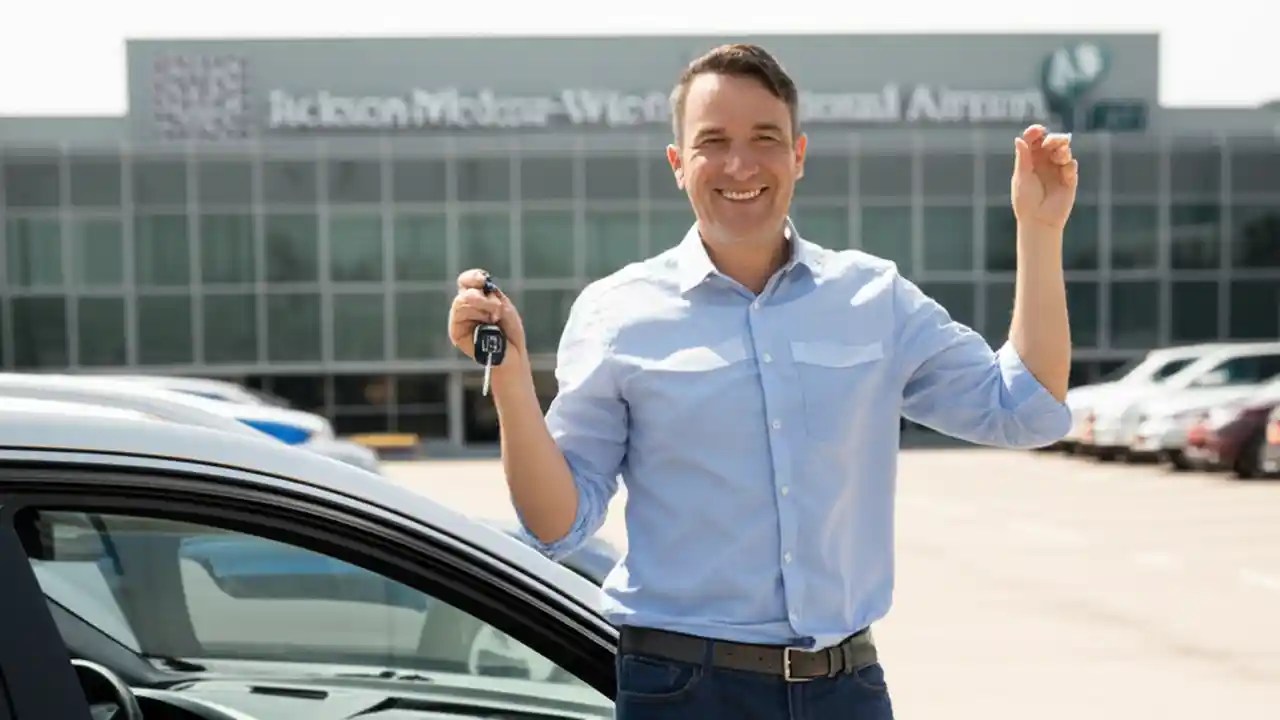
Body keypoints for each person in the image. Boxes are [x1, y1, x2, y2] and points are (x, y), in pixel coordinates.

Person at [448, 43, 1076, 719]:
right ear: (677, 163)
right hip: (684, 689)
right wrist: (511, 381)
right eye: (713, 141)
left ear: (798, 155)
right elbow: (557, 525)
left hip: (847, 689)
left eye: (765, 139)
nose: (740, 165)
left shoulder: (875, 299)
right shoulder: (616, 313)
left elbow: (1025, 410)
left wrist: (1039, 230)